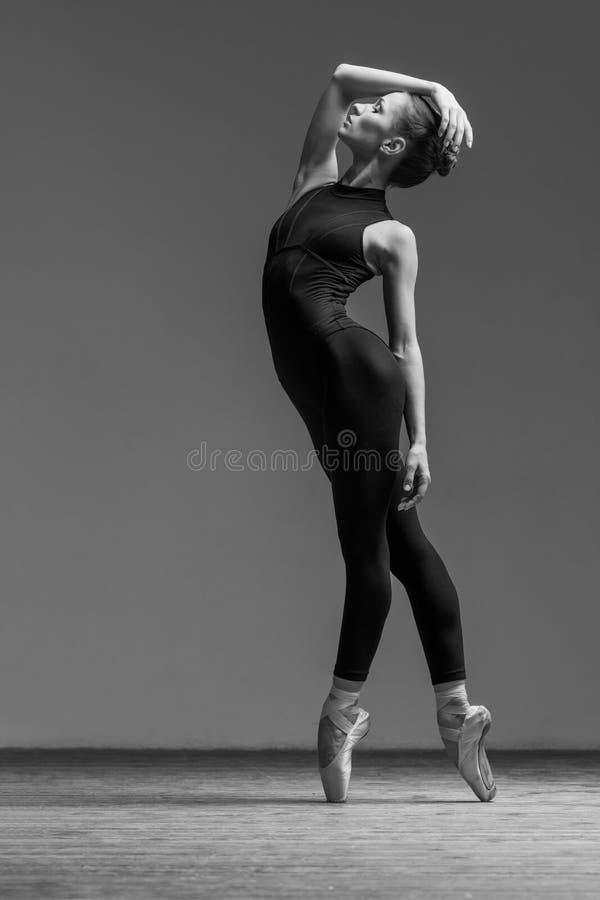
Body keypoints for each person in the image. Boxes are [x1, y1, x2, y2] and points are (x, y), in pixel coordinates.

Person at [261, 63, 496, 803]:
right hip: (324, 391)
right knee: (405, 547)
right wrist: (437, 87)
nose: (358, 105)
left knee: (368, 553)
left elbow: (405, 348)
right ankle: (456, 714)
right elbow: (336, 77)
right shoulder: (313, 180)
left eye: (379, 107)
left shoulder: (391, 233)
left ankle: (338, 716)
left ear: (393, 146)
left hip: (357, 380)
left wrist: (419, 440)